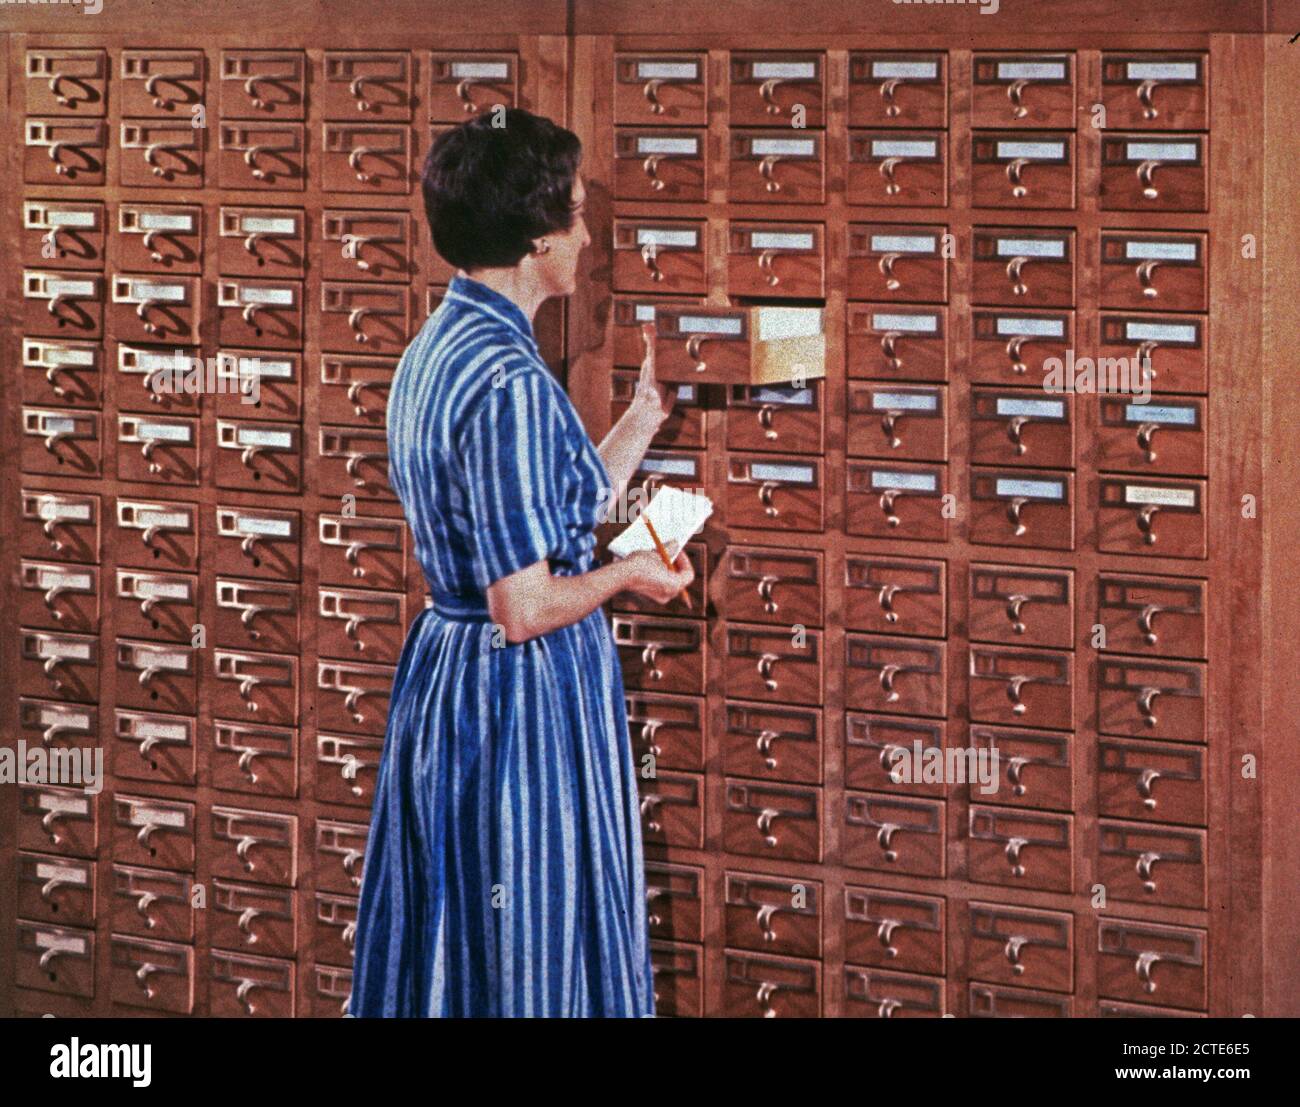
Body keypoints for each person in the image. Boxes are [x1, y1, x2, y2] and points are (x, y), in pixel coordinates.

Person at [348, 107, 693, 1017]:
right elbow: (525, 602)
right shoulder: (508, 380)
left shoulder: (442, 349)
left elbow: (551, 505)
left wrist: (644, 416)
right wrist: (630, 574)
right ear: (539, 239)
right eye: (576, 215)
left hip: (447, 680)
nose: (587, 235)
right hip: (515, 700)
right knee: (528, 928)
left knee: (455, 927)